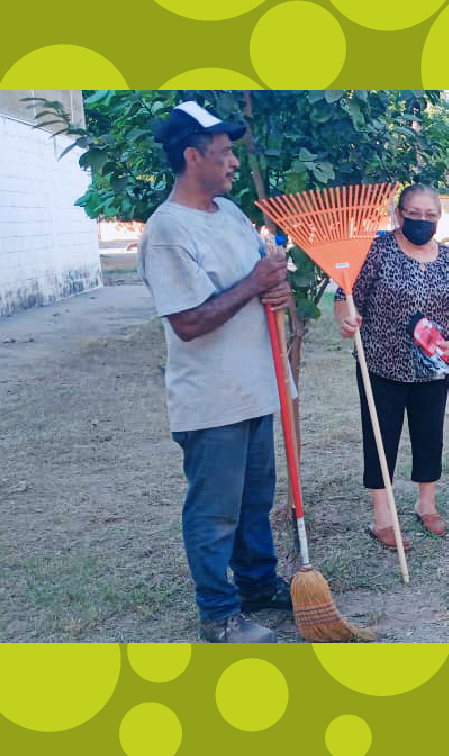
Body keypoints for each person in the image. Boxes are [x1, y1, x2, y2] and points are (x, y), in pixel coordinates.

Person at [138, 101, 293, 643]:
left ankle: (258, 585)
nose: (232, 162)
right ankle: (219, 614)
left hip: (255, 385)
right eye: (224, 152)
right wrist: (255, 283)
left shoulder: (228, 214)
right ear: (191, 155)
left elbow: (260, 278)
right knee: (215, 511)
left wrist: (273, 285)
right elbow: (187, 320)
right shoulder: (167, 230)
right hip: (211, 400)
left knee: (255, 502)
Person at [334, 184, 449, 547]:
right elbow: (345, 297)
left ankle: (425, 504)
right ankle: (382, 517)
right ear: (399, 214)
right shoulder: (376, 251)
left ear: (439, 218)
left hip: (433, 364)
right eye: (414, 213)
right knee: (381, 438)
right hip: (381, 364)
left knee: (430, 435)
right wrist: (347, 320)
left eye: (430, 215)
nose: (422, 221)